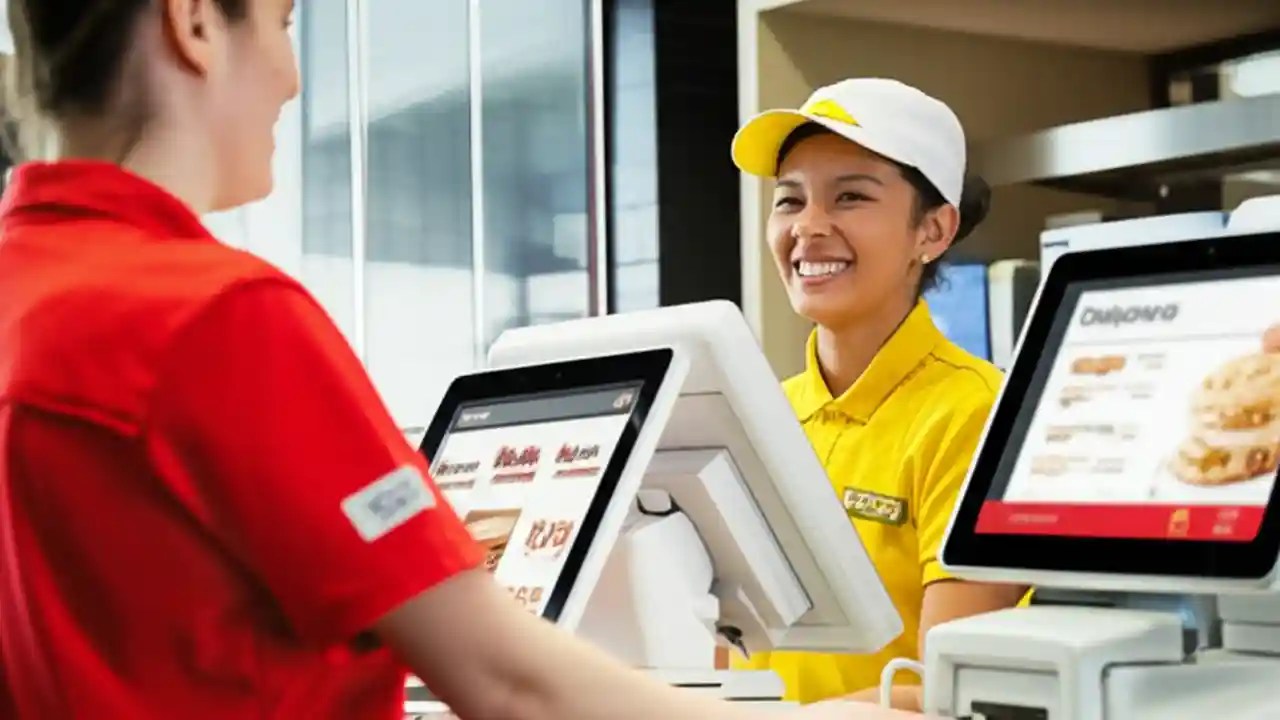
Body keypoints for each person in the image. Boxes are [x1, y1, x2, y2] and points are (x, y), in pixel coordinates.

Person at [0, 2, 912, 719]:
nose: (290, 78)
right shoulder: (219, 318)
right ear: (195, 21)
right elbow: (509, 685)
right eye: (282, 22)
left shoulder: (26, 292)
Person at [728, 78, 1029, 710]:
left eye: (851, 197)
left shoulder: (979, 415)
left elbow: (950, 688)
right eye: (789, 201)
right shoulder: (757, 414)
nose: (809, 227)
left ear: (934, 230)